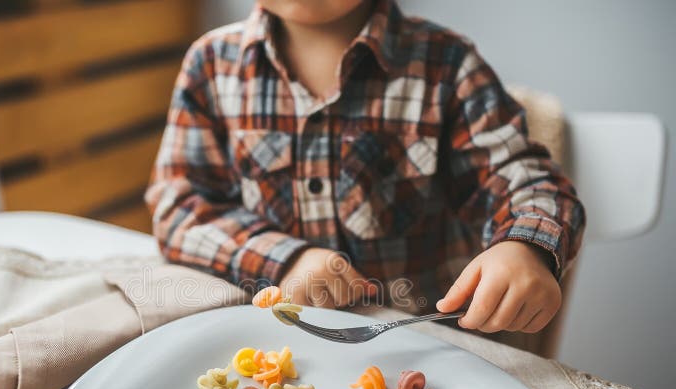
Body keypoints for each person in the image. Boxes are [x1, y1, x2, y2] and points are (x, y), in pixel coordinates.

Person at [145, 0, 585, 334]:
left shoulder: (447, 66)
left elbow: (522, 175)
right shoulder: (210, 66)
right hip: (268, 340)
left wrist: (524, 246)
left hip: (422, 348)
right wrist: (286, 258)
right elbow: (180, 206)